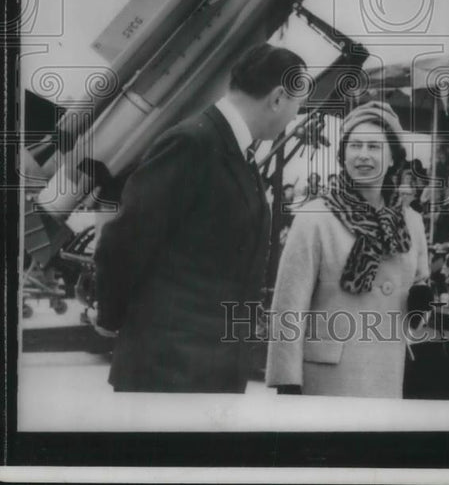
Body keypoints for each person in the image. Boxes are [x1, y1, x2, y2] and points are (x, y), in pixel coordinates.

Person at [94, 43, 306, 392]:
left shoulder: (233, 150)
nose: (294, 116)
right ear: (278, 98)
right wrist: (111, 315)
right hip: (168, 371)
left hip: (207, 369)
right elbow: (125, 239)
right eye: (297, 105)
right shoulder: (193, 142)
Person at [265, 101, 429, 398]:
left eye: (374, 147)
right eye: (355, 145)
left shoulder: (412, 222)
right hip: (327, 379)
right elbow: (289, 306)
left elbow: (419, 288)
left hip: (387, 374)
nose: (363, 155)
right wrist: (287, 380)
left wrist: (420, 304)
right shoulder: (315, 217)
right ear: (343, 155)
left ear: (393, 157)